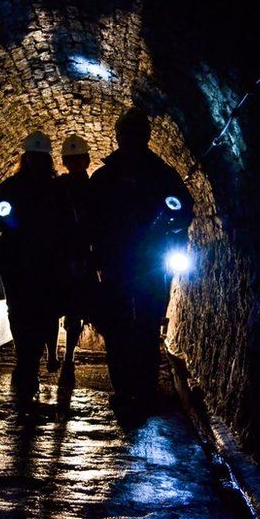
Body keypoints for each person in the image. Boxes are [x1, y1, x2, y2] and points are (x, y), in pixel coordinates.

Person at [89, 108, 194, 401]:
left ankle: (141, 387)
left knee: (145, 325)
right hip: (118, 263)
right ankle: (127, 388)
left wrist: (174, 225)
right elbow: (89, 219)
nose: (132, 139)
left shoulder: (159, 175)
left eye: (137, 133)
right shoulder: (107, 177)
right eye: (128, 133)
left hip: (145, 262)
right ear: (120, 137)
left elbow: (184, 209)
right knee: (120, 326)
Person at [0, 131, 61, 396]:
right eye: (33, 156)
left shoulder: (52, 189)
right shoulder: (16, 187)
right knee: (21, 309)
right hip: (21, 261)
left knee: (33, 310)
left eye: (40, 157)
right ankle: (26, 357)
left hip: (36, 261)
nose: (36, 161)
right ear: (26, 157)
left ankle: (29, 357)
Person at [47, 134, 98, 379]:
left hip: (65, 256)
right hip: (74, 255)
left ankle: (61, 357)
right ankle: (62, 357)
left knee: (61, 308)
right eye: (74, 159)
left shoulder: (59, 187)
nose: (76, 163)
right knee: (68, 309)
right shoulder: (92, 188)